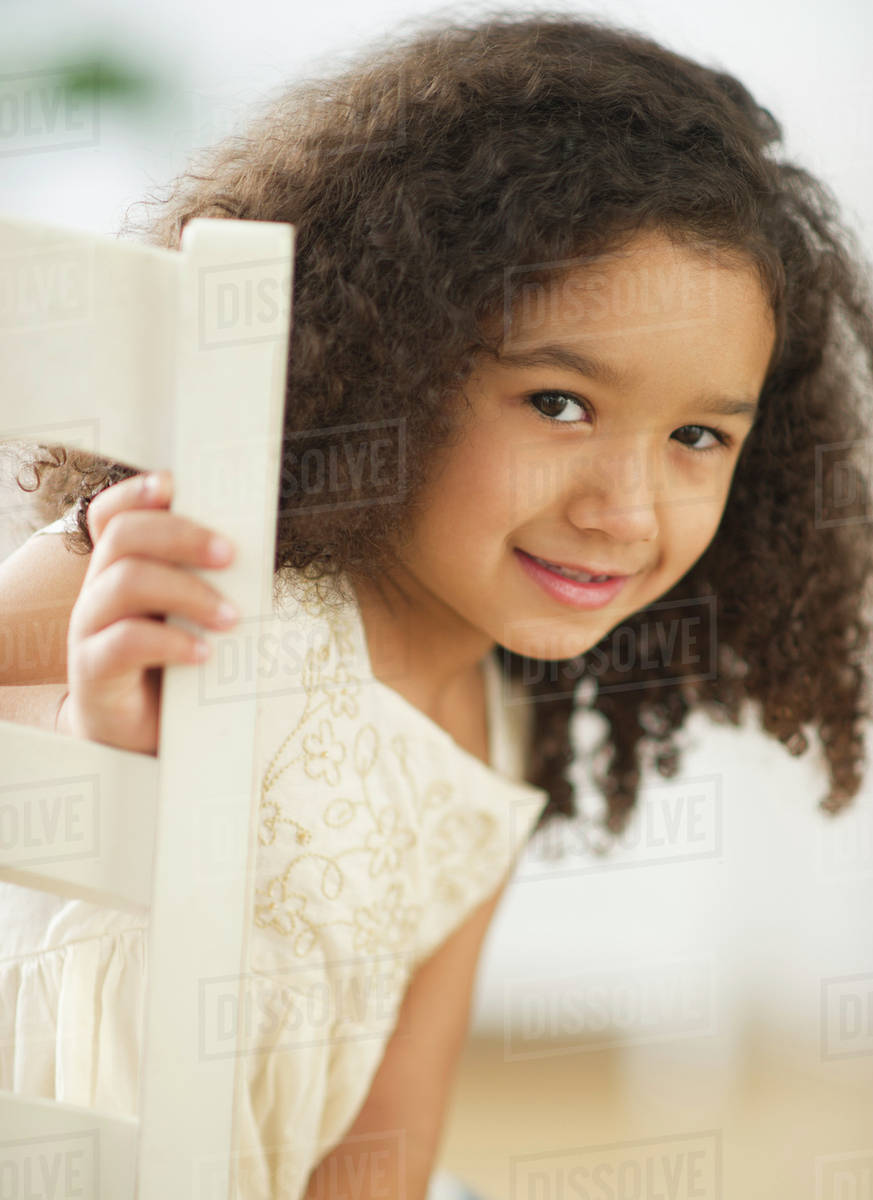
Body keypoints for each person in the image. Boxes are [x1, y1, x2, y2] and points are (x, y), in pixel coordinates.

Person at [1, 11, 871, 1199]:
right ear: (392, 357)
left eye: (697, 436)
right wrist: (82, 745)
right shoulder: (207, 565)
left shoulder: (493, 739)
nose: (625, 509)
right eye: (559, 402)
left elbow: (383, 1148)